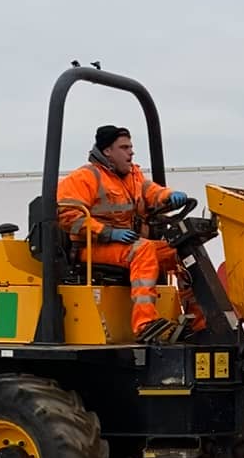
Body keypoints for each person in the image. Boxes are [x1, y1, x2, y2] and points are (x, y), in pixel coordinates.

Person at [56, 124, 203, 340]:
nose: (131, 152)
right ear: (108, 151)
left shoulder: (133, 175)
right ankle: (145, 323)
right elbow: (68, 216)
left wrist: (168, 196)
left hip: (126, 245)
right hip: (93, 247)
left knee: (181, 253)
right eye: (124, 148)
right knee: (142, 250)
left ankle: (199, 324)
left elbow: (151, 192)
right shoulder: (84, 178)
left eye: (131, 147)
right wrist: (106, 232)